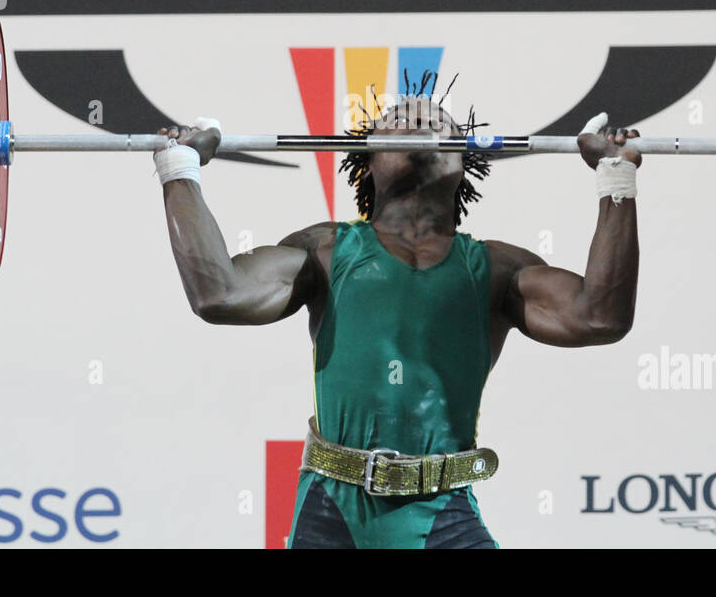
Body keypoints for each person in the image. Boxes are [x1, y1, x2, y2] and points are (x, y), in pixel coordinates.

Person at [153, 77, 640, 548]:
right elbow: (220, 294)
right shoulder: (324, 251)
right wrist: (181, 167)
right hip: (332, 516)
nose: (418, 122)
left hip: (445, 518)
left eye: (437, 122)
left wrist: (615, 176)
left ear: (463, 162)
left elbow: (599, 317)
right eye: (399, 120)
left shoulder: (498, 269)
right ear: (368, 161)